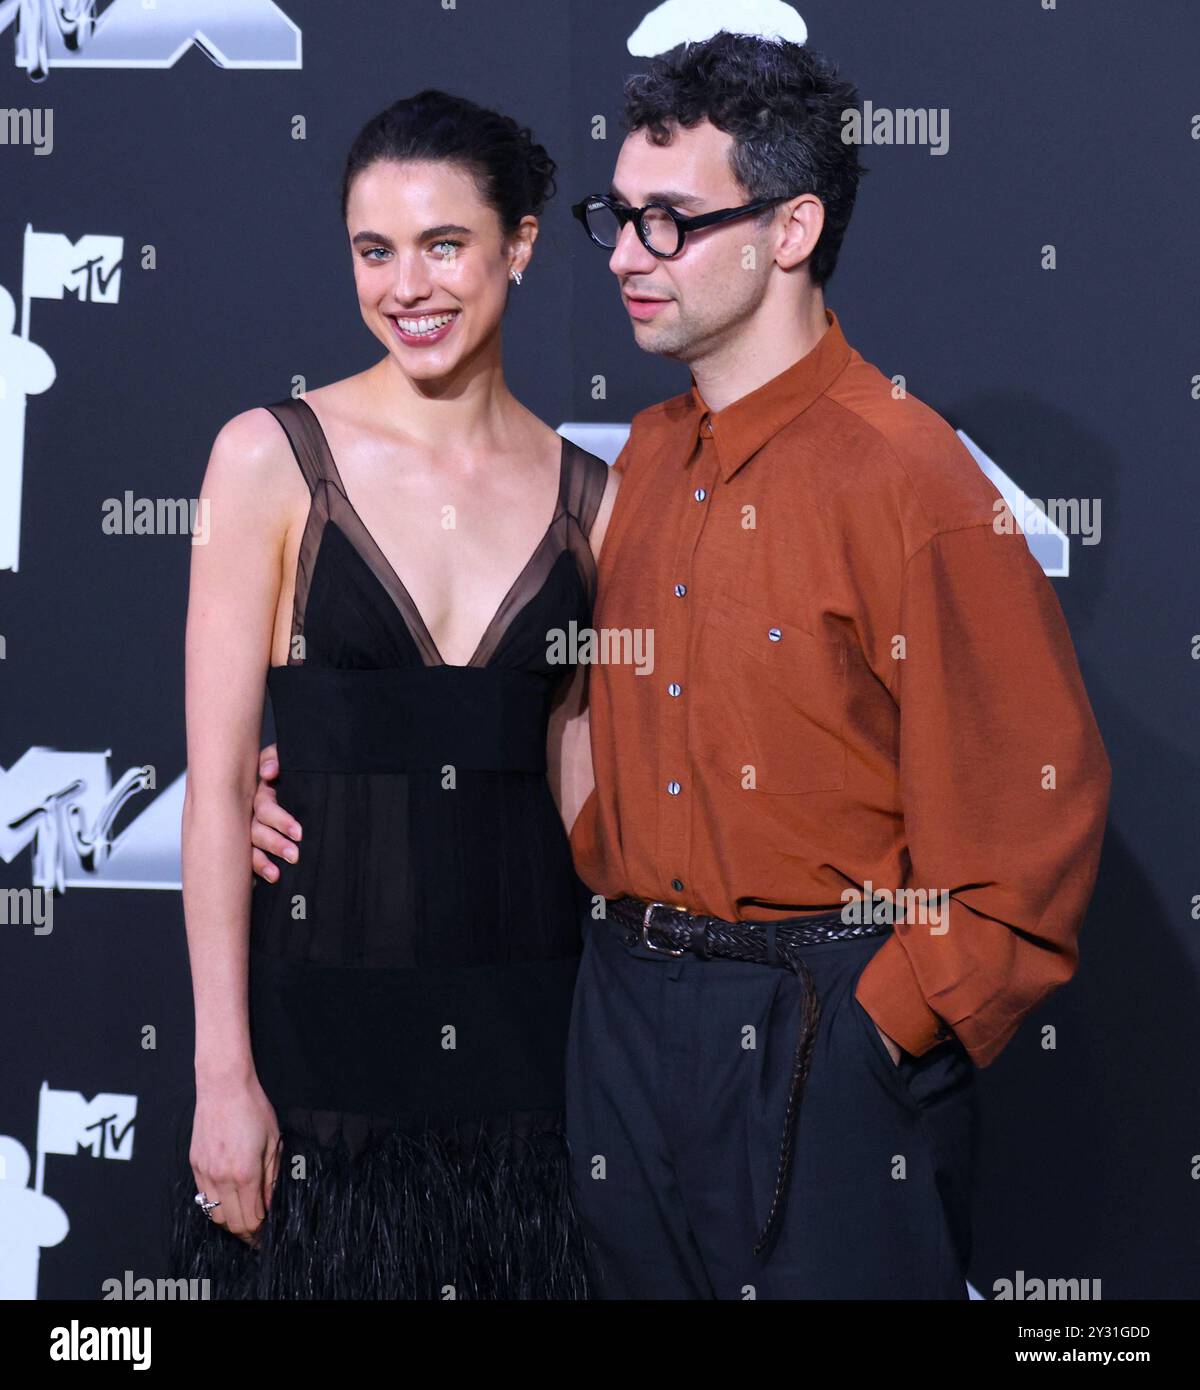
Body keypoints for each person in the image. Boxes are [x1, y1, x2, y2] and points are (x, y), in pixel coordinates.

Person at [250, 35, 1112, 1300]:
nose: (625, 254)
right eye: (618, 215)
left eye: (672, 221)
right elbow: (547, 693)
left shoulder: (910, 476)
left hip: (816, 1028)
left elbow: (1035, 820)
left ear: (794, 227)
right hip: (618, 1018)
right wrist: (319, 768)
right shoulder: (644, 458)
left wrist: (887, 1023)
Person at [167, 88, 618, 1300]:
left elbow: (585, 800)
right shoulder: (267, 458)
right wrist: (223, 1078)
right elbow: (215, 793)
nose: (405, 285)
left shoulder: (596, 498)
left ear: (519, 244)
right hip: (321, 1060)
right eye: (375, 249)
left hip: (533, 1059)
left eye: (443, 244)